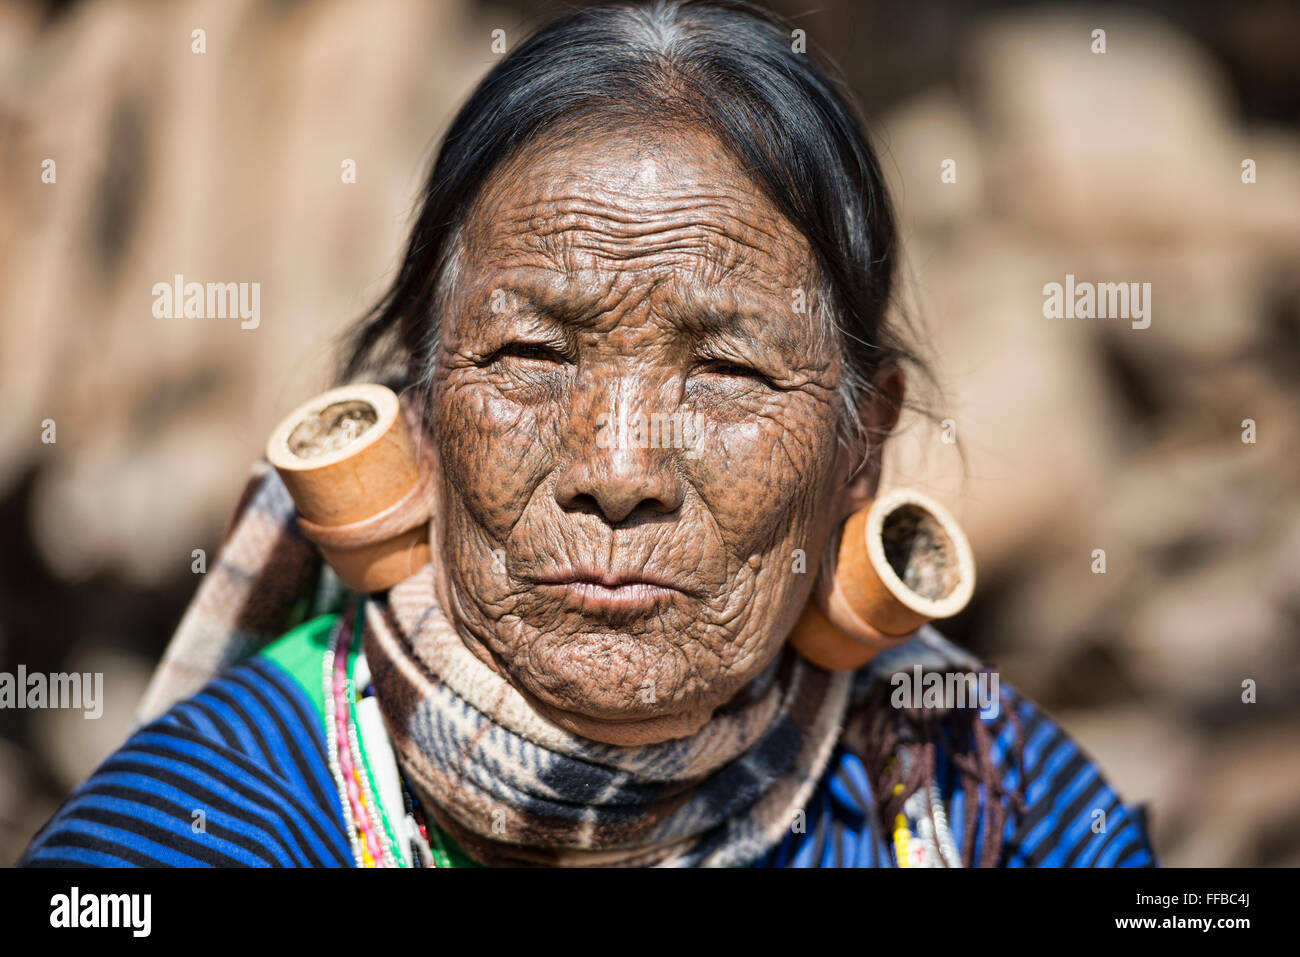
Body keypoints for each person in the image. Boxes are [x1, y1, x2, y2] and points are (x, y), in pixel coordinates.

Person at [21, 0, 1155, 868]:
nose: (616, 472)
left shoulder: (989, 800)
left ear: (863, 444)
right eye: (528, 357)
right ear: (419, 400)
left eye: (727, 371)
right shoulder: (198, 834)